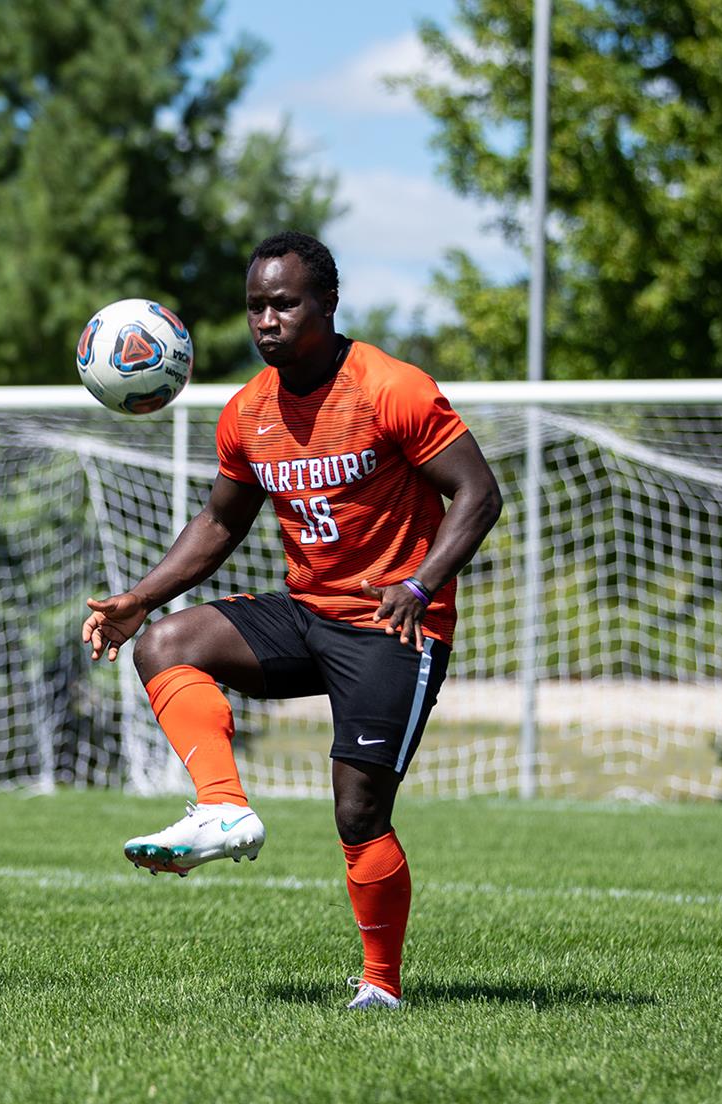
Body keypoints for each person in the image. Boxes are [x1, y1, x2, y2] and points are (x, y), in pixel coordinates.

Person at [80, 230, 502, 1011]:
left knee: (358, 810)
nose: (267, 320)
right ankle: (222, 808)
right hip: (309, 612)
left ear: (328, 304)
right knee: (168, 641)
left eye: (284, 303)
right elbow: (219, 522)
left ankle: (380, 987)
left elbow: (478, 494)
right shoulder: (247, 413)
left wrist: (420, 582)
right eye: (255, 307)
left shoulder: (391, 388)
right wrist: (139, 597)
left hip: (394, 625)